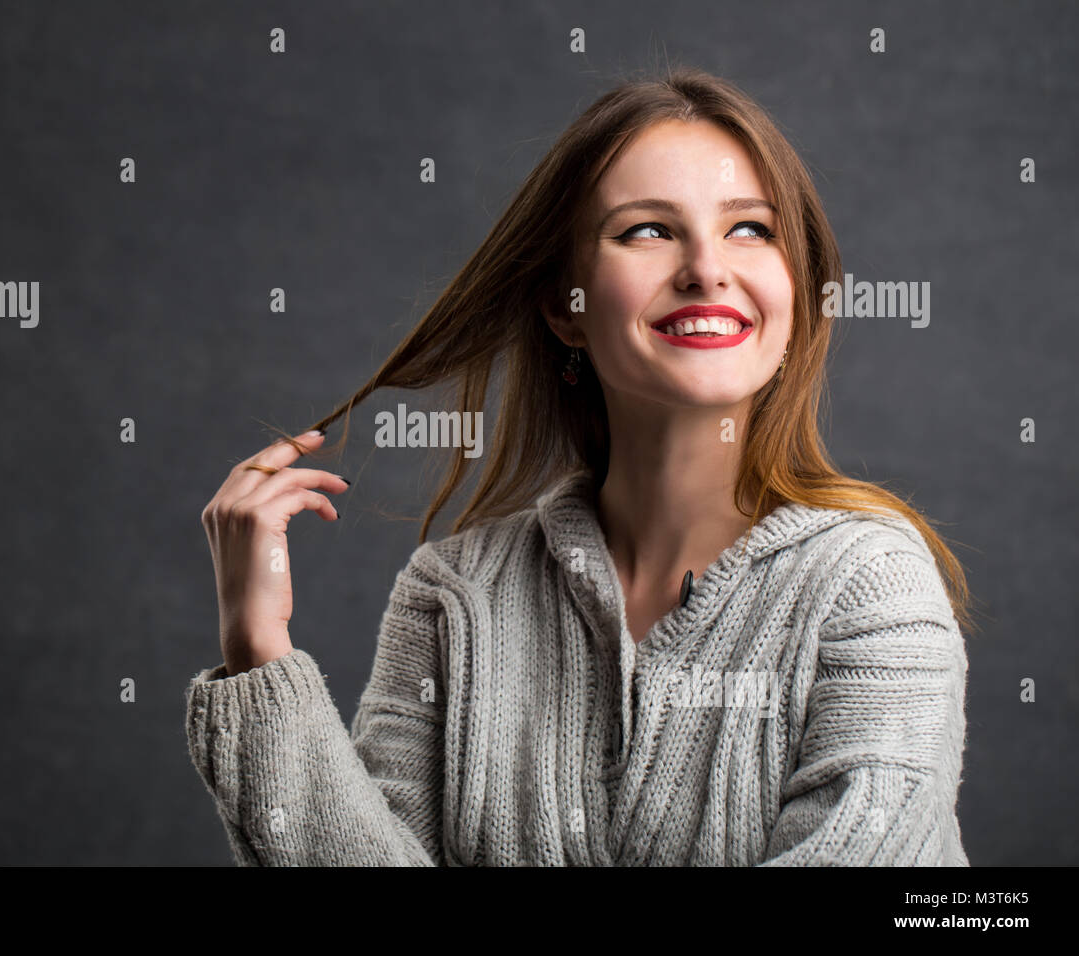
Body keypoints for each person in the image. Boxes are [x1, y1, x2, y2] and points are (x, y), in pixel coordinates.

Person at [186, 66, 977, 866]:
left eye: (751, 229)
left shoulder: (872, 585)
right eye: (646, 231)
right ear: (564, 310)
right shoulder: (452, 597)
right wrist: (259, 647)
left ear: (799, 291)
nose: (708, 268)